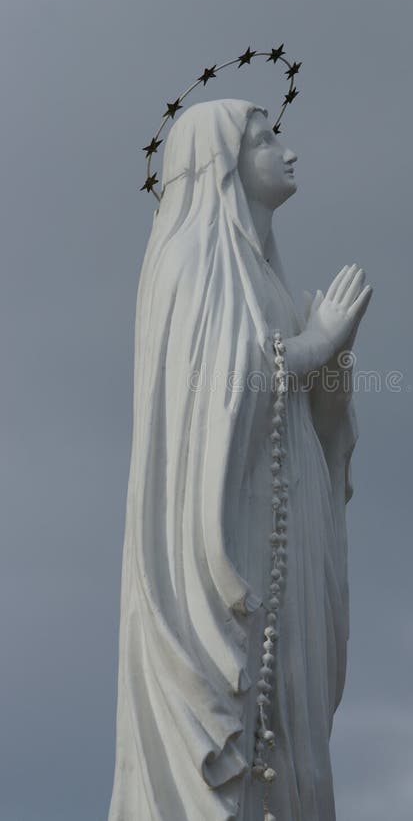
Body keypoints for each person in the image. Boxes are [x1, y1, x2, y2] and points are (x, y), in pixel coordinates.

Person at [108, 99, 372, 821]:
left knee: (293, 734)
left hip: (290, 531)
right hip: (228, 542)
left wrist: (332, 366)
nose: (287, 151)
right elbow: (222, 388)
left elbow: (305, 416)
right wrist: (315, 344)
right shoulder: (190, 261)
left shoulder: (269, 283)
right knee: (246, 729)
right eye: (265, 139)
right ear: (222, 163)